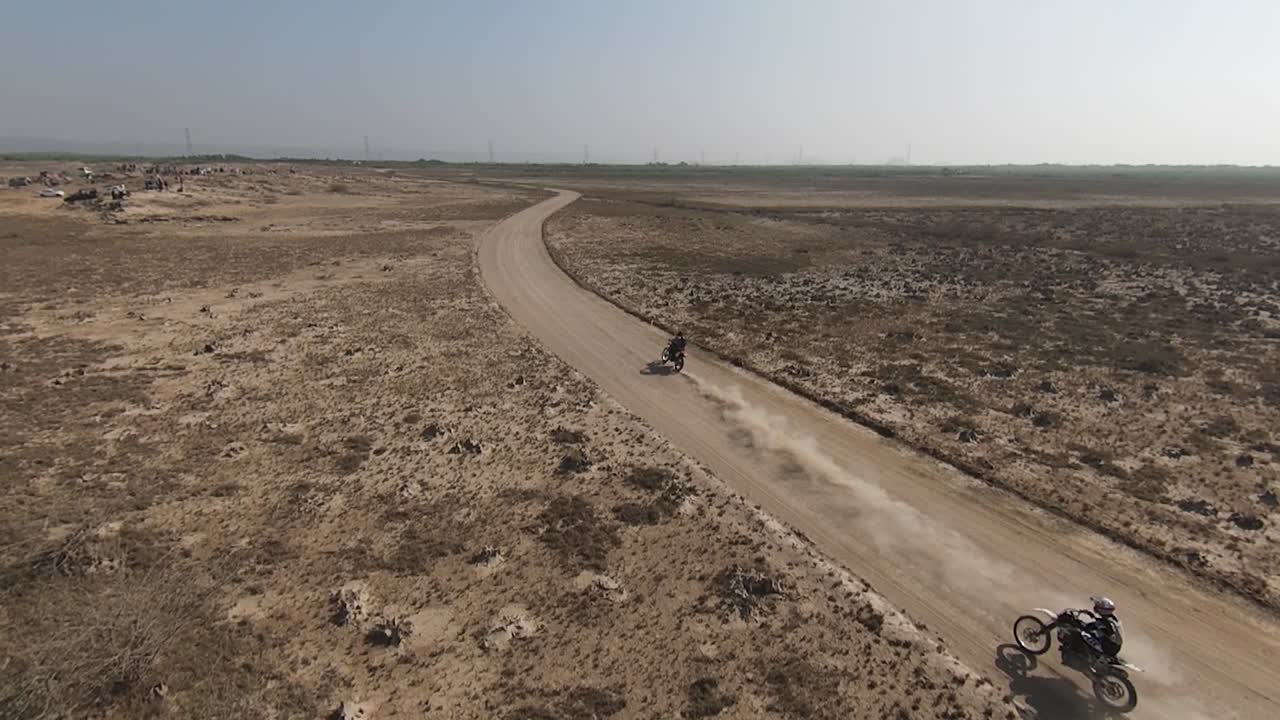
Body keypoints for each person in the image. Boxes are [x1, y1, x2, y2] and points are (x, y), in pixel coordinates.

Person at [1066, 596, 1123, 663]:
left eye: (1097, 606)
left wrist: (1078, 623)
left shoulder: (1106, 622)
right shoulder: (1111, 618)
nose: (1095, 607)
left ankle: (1078, 657)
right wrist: (1091, 615)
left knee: (1080, 633)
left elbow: (1090, 627)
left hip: (1108, 647)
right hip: (1113, 646)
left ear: (1103, 609)